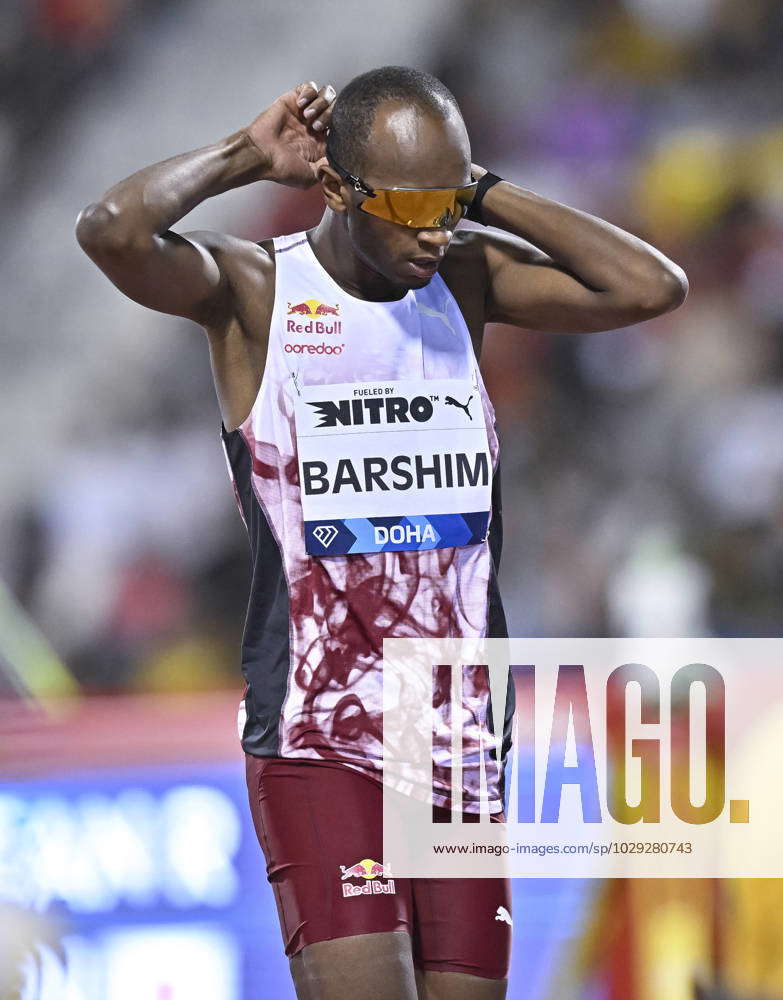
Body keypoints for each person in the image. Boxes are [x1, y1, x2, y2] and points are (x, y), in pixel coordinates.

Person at [75, 65, 688, 1000]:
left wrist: (478, 188)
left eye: (448, 202)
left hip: (453, 731)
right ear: (334, 187)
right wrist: (246, 154)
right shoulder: (254, 292)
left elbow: (649, 286)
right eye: (409, 206)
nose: (434, 231)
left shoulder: (464, 280)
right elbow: (111, 231)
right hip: (322, 731)